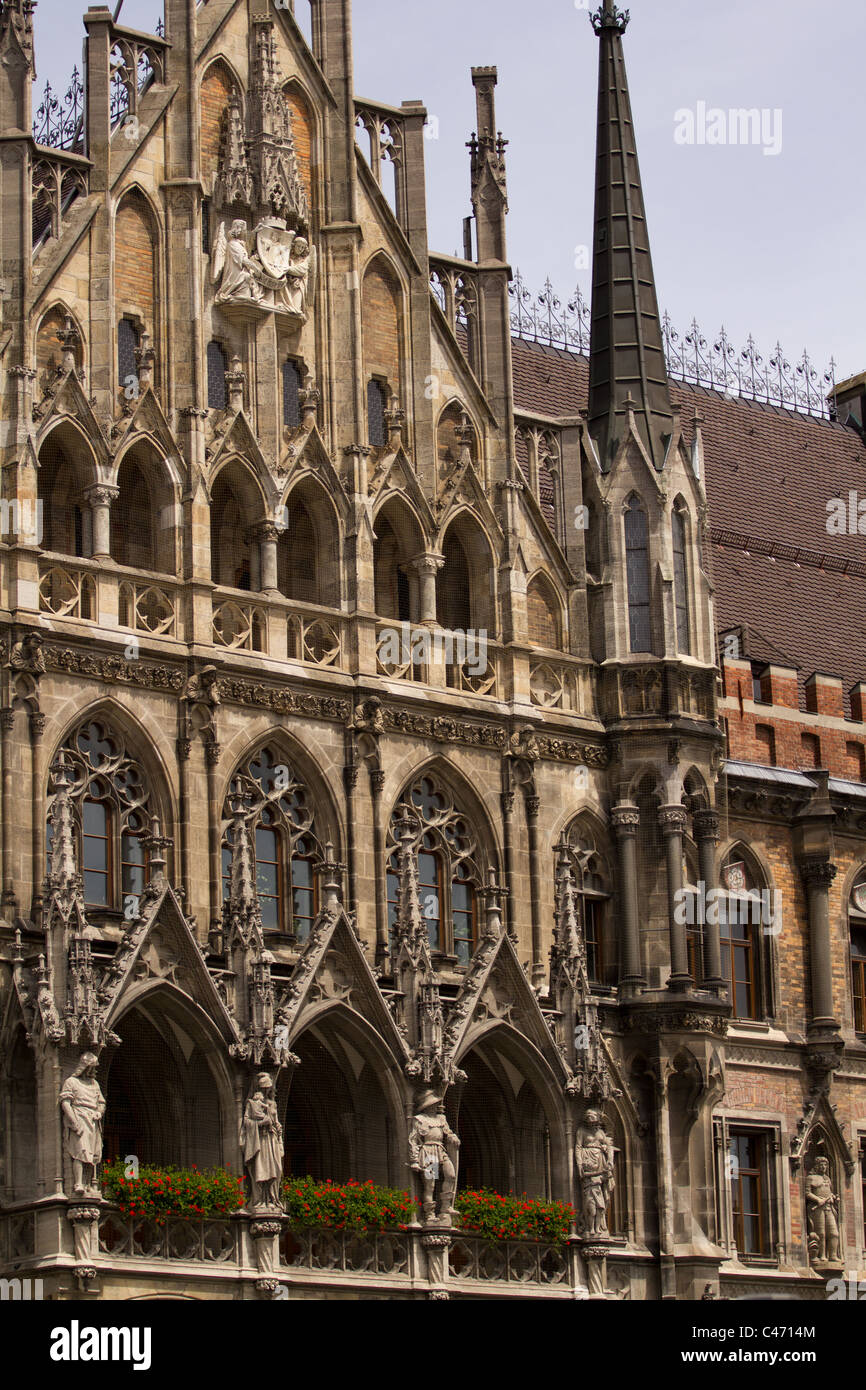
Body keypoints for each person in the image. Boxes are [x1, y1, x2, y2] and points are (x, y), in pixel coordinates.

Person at [409, 1091, 460, 1224]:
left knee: (451, 1175)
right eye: (432, 1104)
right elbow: (413, 1140)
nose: (434, 1106)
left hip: (440, 1150)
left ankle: (445, 1207)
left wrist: (452, 1137)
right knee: (430, 1185)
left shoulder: (441, 1119)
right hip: (429, 1152)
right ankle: (430, 1214)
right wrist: (414, 1160)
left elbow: (448, 1133)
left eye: (435, 1104)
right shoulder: (420, 1120)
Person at [60, 1052, 106, 1197]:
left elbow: (101, 1103)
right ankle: (78, 1183)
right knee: (80, 1151)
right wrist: (74, 1122)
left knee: (92, 1154)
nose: (92, 1071)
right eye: (90, 1067)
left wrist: (99, 1112)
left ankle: (91, 1184)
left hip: (92, 1120)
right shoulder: (71, 1082)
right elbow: (65, 1102)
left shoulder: (94, 1084)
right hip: (79, 1117)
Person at [241, 1073, 284, 1210]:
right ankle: (259, 1200)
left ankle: (272, 1199)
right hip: (259, 1142)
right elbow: (246, 1122)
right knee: (260, 1170)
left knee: (276, 1170)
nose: (266, 1091)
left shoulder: (272, 1104)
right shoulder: (251, 1103)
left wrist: (278, 1127)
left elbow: (275, 1121)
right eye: (263, 1088)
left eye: (268, 1088)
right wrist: (260, 1123)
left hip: (271, 1140)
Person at [574, 1109, 615, 1238]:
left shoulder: (601, 1133)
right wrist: (579, 1164)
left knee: (604, 1196)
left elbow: (609, 1148)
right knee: (590, 1202)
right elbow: (578, 1147)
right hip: (588, 1163)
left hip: (600, 1162)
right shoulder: (581, 1131)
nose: (592, 1124)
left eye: (594, 1121)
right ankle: (590, 1228)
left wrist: (610, 1161)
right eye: (589, 1121)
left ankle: (601, 1226)